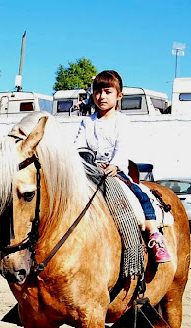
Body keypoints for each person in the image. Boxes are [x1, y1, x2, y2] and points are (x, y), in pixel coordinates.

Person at [73, 69, 171, 263]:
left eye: (108, 92)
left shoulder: (122, 121)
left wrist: (115, 165)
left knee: (140, 195)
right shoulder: (87, 122)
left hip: (114, 173)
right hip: (89, 171)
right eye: (98, 92)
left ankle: (154, 236)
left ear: (119, 96)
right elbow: (77, 146)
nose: (102, 97)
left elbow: (122, 147)